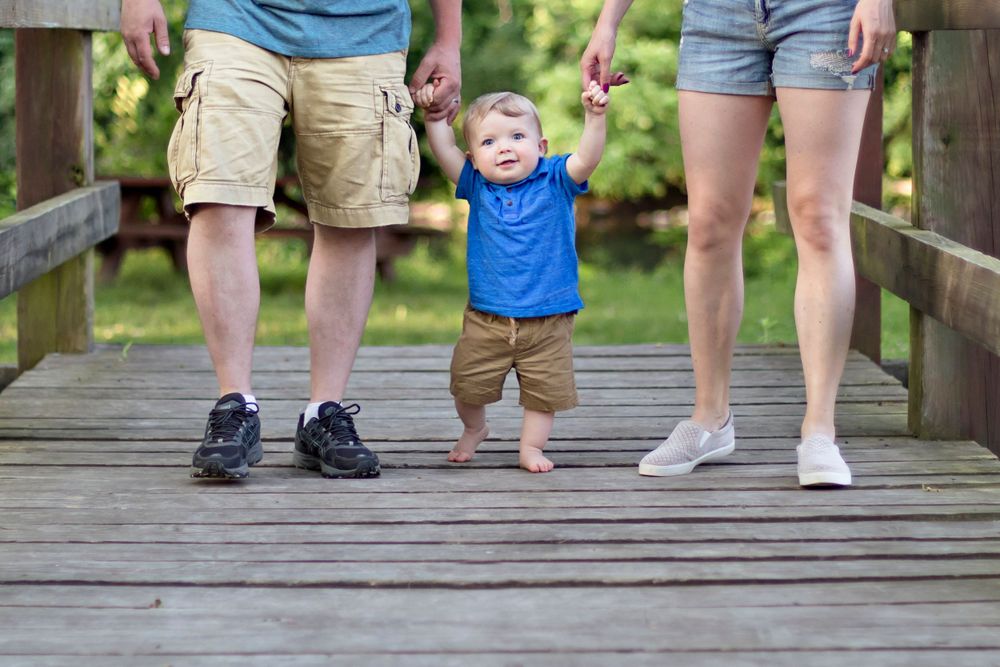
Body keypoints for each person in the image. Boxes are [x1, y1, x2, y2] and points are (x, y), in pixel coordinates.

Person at [120, 0, 462, 479]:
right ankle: (234, 406)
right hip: (234, 18)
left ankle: (324, 413)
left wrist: (449, 40)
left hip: (365, 31)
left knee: (350, 215)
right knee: (218, 196)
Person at [581, 0, 896, 487]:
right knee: (709, 221)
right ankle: (710, 418)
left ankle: (820, 431)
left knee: (818, 216)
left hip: (824, 13)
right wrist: (608, 22)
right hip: (717, 16)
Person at [413, 83, 610, 472]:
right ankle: (475, 428)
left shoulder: (556, 179)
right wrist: (435, 120)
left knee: (543, 393)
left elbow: (587, 158)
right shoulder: (476, 184)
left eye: (517, 136)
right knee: (467, 386)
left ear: (541, 146)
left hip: (549, 317)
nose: (504, 148)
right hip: (487, 317)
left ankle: (531, 448)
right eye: (489, 142)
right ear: (474, 159)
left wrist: (595, 116)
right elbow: (446, 151)